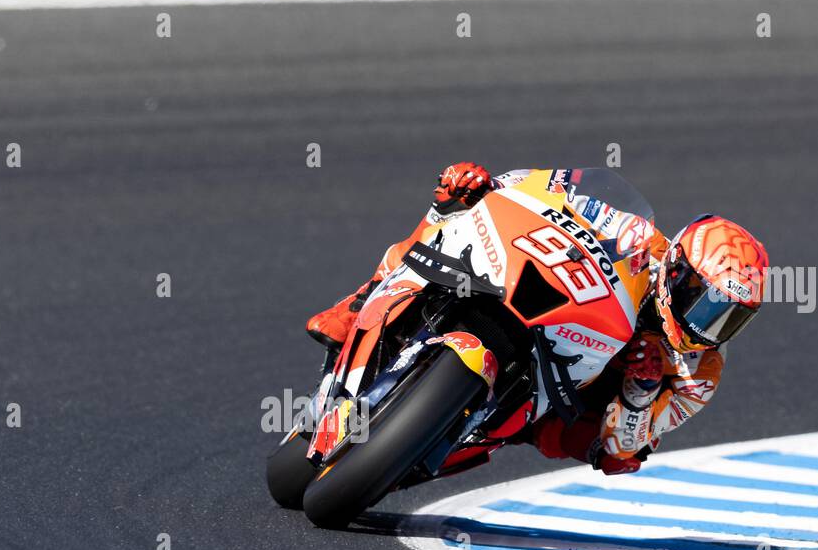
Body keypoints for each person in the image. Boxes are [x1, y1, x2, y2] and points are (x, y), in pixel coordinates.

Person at [305, 163, 769, 474]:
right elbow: (549, 189)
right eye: (705, 303)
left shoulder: (700, 373)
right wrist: (490, 188)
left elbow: (628, 449)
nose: (707, 325)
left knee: (604, 453)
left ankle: (474, 422)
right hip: (550, 307)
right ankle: (359, 302)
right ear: (677, 269)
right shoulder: (637, 237)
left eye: (728, 317)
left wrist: (639, 393)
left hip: (572, 393)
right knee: (459, 205)